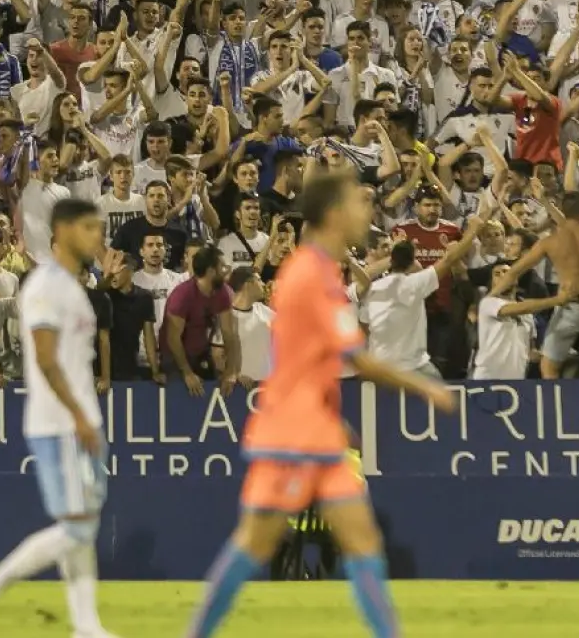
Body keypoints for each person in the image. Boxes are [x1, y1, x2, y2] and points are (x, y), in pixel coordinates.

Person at [185, 171, 456, 638]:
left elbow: (313, 362)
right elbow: (356, 360)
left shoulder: (319, 273)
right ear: (334, 214)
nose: (366, 209)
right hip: (293, 432)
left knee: (360, 541)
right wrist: (424, 387)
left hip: (314, 429)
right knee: (256, 543)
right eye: (358, 201)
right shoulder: (312, 275)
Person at [0, 198, 114, 638]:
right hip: (59, 421)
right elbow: (44, 359)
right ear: (62, 231)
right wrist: (79, 415)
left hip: (80, 418)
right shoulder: (44, 285)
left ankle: (85, 624)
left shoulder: (73, 287)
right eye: (89, 227)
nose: (97, 237)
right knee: (76, 527)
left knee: (84, 523)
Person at [503, 191, 579, 378]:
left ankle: (556, 407)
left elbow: (515, 270)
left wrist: (493, 294)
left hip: (570, 307)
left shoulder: (550, 242)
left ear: (563, 211)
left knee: (548, 367)